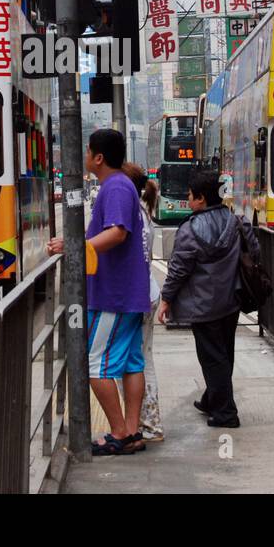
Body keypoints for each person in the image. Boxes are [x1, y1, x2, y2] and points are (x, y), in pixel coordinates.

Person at [46, 128, 149, 456]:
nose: (84, 156)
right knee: (132, 363)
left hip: (114, 296)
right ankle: (132, 432)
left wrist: (75, 245)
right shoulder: (119, 186)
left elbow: (117, 233)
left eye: (87, 151)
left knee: (95, 364)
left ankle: (119, 433)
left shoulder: (115, 186)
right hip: (127, 292)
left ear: (98, 157)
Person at [158, 169, 259, 429]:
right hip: (232, 301)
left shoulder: (190, 230)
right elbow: (254, 251)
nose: (188, 201)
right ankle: (212, 399)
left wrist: (166, 298)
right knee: (224, 353)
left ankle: (226, 413)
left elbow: (179, 269)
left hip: (203, 305)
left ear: (200, 198)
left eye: (190, 196)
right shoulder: (237, 222)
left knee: (212, 357)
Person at [122, 162, 164, 444]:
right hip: (147, 292)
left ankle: (144, 425)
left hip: (137, 295)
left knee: (133, 362)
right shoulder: (143, 213)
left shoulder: (132, 214)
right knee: (143, 358)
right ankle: (149, 423)